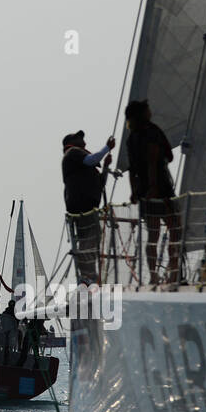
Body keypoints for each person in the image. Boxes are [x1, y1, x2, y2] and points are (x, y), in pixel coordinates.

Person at [125, 100, 183, 284]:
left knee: (153, 234)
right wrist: (154, 186)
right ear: (142, 113)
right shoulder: (151, 131)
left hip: (143, 192)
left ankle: (153, 275)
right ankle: (173, 273)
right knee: (175, 229)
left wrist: (134, 191)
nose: (151, 110)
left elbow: (132, 169)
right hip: (160, 189)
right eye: (147, 109)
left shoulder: (131, 138)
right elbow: (153, 159)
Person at [61, 130, 113, 283]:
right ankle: (87, 275)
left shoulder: (83, 162)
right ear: (71, 142)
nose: (83, 140)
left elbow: (100, 184)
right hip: (81, 207)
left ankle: (90, 274)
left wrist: (106, 167)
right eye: (79, 138)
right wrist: (107, 148)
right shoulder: (72, 153)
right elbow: (91, 159)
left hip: (89, 207)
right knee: (88, 241)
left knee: (93, 239)